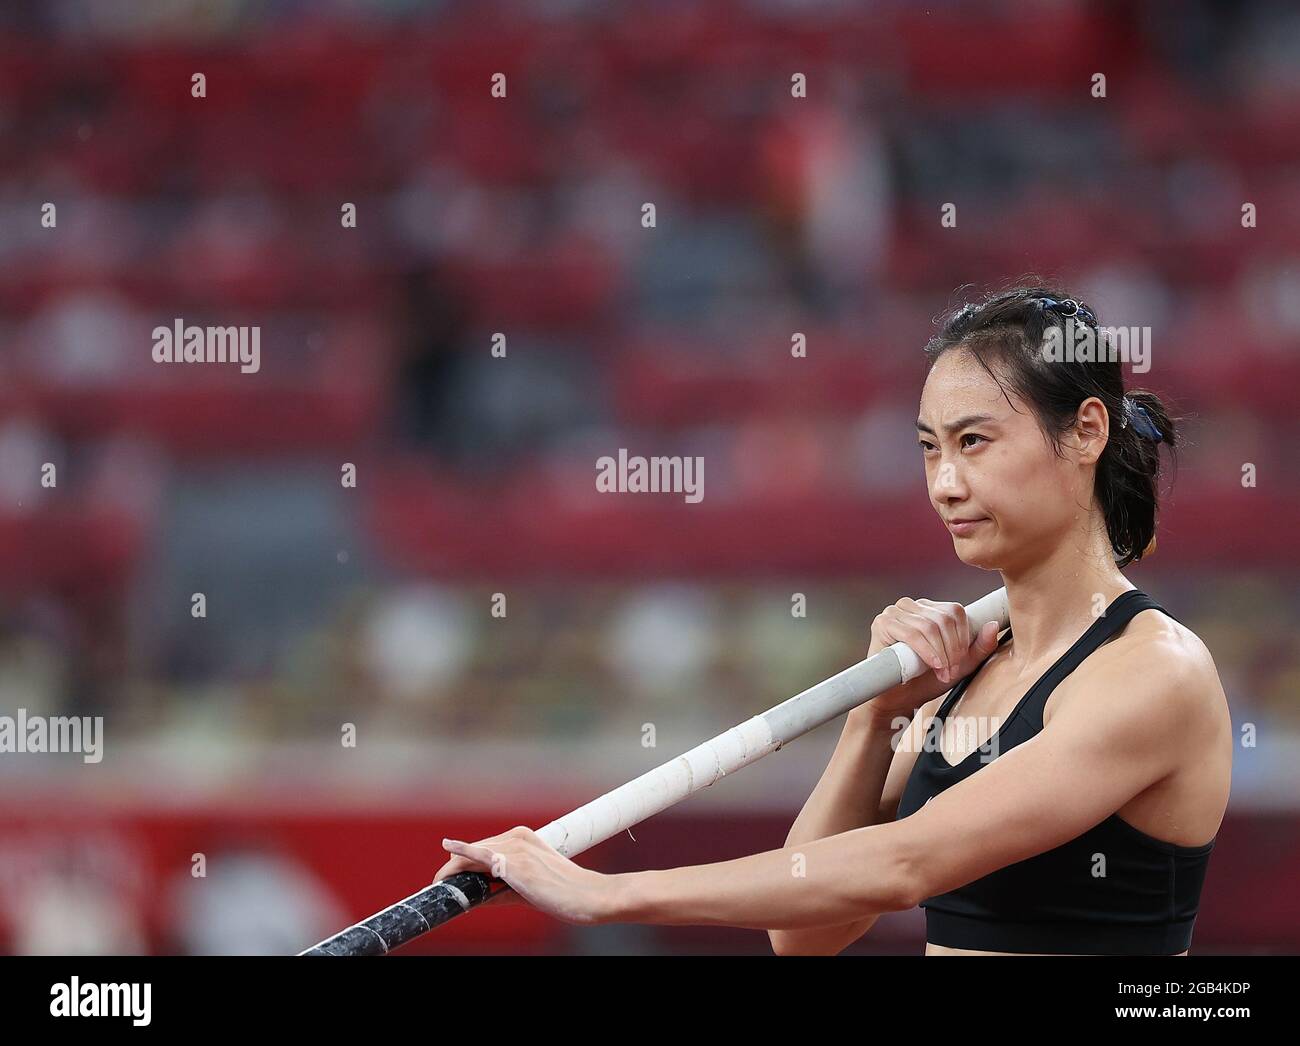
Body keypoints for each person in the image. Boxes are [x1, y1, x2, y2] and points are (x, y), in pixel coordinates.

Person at [434, 285, 1232, 956]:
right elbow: (806, 932)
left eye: (975, 442)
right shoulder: (973, 669)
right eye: (929, 449)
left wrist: (600, 894)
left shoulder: (1152, 672)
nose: (946, 483)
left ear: (1086, 431)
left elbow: (906, 865)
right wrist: (876, 714)